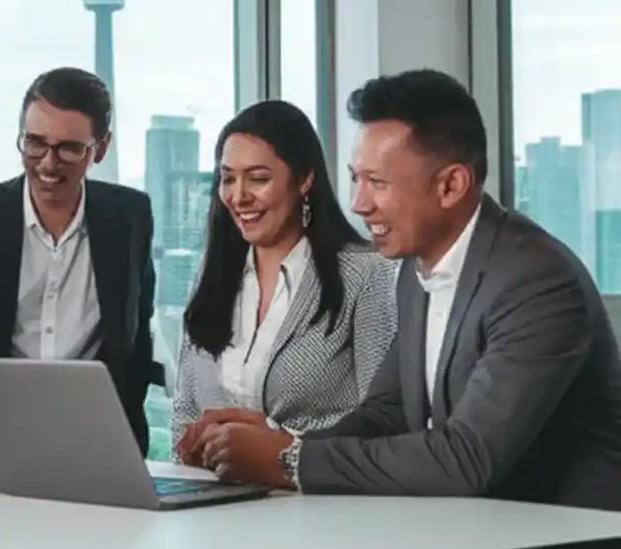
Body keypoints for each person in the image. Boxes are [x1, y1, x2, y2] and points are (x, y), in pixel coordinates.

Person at [184, 69, 621, 511]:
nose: (359, 203)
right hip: (472, 531)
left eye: (378, 183)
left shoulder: (536, 282)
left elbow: (467, 458)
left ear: (451, 185)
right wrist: (278, 442)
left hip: (567, 546)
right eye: (357, 180)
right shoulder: (418, 269)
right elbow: (385, 414)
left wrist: (287, 460)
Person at [0, 66, 157, 460]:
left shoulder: (129, 216)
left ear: (101, 149)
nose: (48, 164)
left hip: (99, 437)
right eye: (35, 143)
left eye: (69, 148)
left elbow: (136, 331)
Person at [172, 100, 397, 459]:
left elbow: (386, 423)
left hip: (317, 502)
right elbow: (185, 413)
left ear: (304, 179)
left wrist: (278, 445)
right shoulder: (212, 274)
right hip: (214, 504)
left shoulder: (365, 275)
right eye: (228, 178)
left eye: (258, 178)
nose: (239, 195)